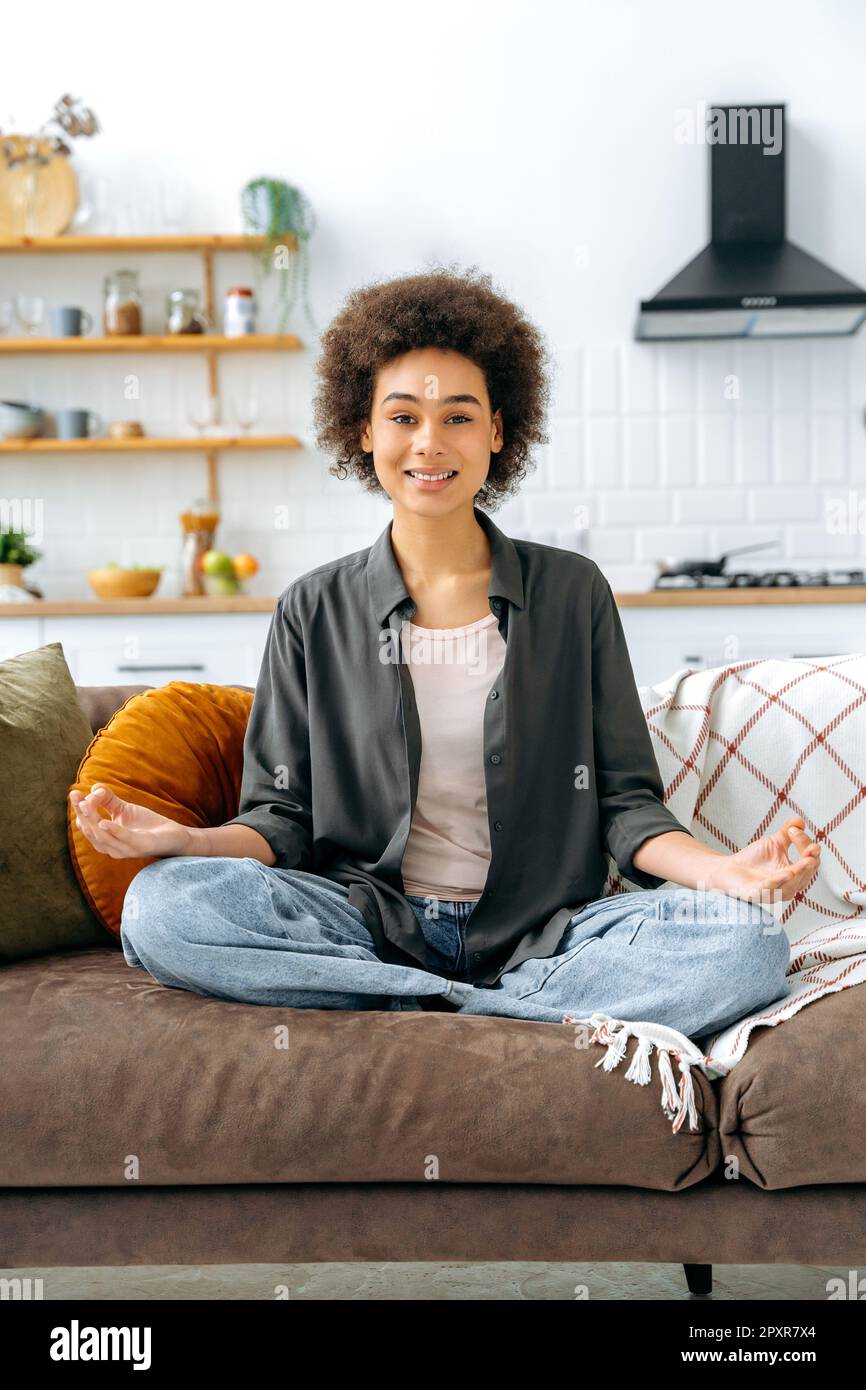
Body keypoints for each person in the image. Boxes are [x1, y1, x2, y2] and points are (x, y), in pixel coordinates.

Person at [70, 265, 819, 1044]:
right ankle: (476, 1005)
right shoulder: (311, 608)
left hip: (547, 934)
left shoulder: (572, 593)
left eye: (458, 416)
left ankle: (419, 1004)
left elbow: (627, 807)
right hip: (361, 922)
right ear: (364, 432)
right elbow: (281, 820)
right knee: (164, 905)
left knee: (748, 944)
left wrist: (723, 874)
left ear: (498, 430)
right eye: (403, 416)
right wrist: (187, 842)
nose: (430, 443)